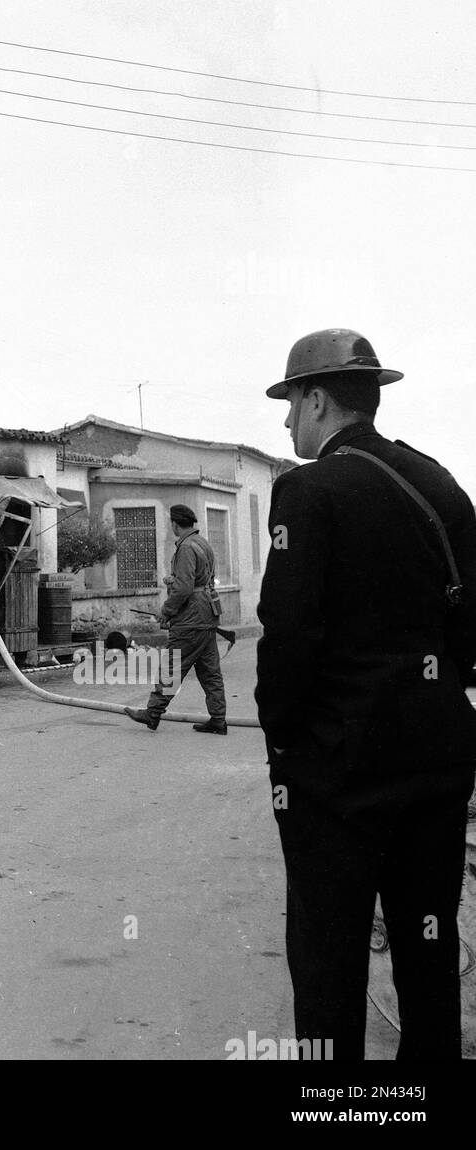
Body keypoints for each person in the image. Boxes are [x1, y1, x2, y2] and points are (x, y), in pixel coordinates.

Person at [255, 328, 476, 1060]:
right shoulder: (439, 484)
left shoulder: (307, 490)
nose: (287, 424)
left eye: (290, 406)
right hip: (440, 760)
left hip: (338, 773)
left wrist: (283, 738)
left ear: (316, 399)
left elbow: (287, 636)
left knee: (327, 959)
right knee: (427, 942)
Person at [124, 504, 228, 733]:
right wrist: (175, 581)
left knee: (172, 667)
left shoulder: (185, 548)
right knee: (210, 672)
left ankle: (152, 714)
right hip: (208, 616)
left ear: (174, 524)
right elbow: (201, 579)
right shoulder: (203, 544)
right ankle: (219, 720)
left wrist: (166, 611)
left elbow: (183, 588)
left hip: (190, 618)